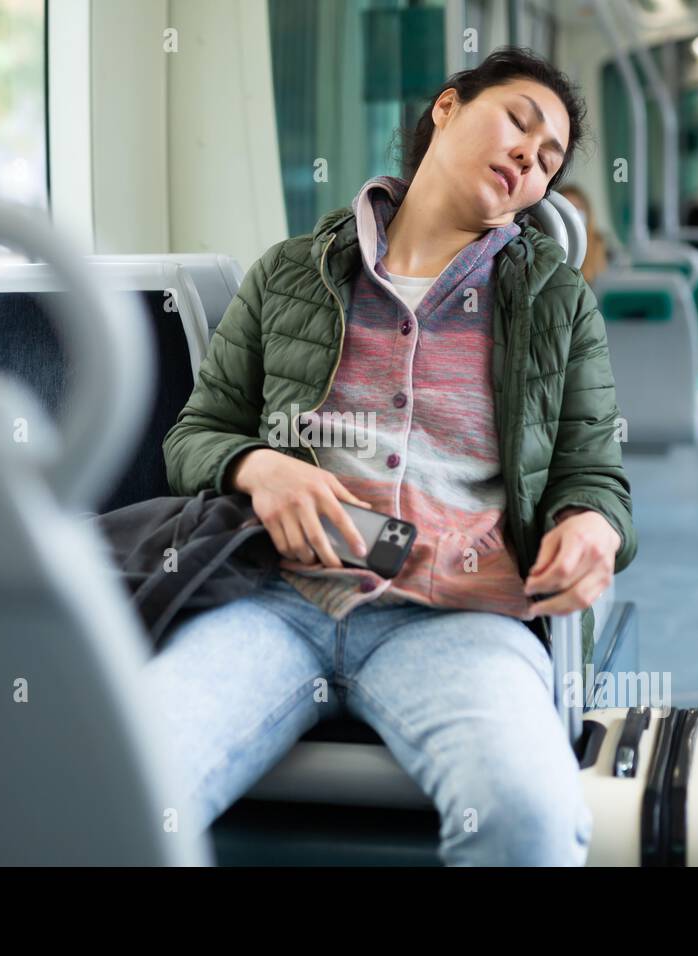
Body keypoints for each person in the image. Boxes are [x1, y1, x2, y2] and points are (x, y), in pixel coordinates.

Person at [149, 46, 636, 865]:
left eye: (548, 159)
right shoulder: (290, 275)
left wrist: (592, 527)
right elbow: (193, 437)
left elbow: (592, 471)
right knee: (123, 783)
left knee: (530, 822)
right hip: (278, 598)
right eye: (519, 121)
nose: (529, 156)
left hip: (458, 620)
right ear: (446, 109)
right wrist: (260, 467)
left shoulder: (555, 301)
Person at [558, 183, 609, 284]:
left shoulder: (600, 248)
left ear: (587, 212)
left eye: (576, 207)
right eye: (566, 208)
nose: (571, 216)